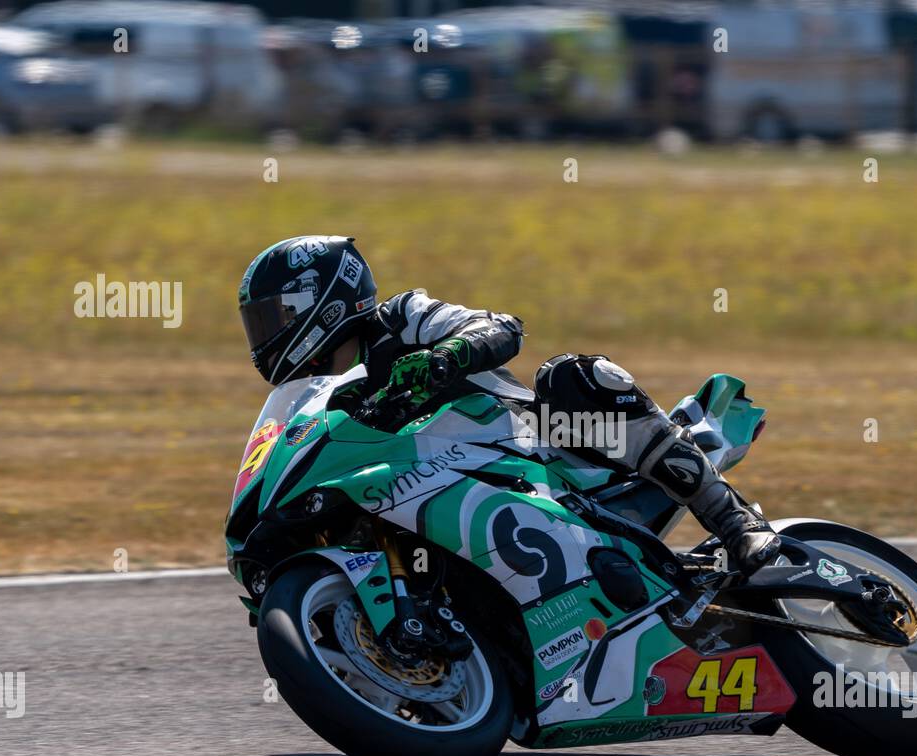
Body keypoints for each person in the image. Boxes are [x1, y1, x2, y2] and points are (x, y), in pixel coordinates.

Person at [238, 235, 779, 572]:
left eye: (273, 318)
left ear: (323, 305)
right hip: (433, 491)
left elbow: (500, 328)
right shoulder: (308, 399)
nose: (265, 336)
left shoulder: (401, 320)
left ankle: (737, 524)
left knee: (575, 376)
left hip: (541, 453)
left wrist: (447, 357)